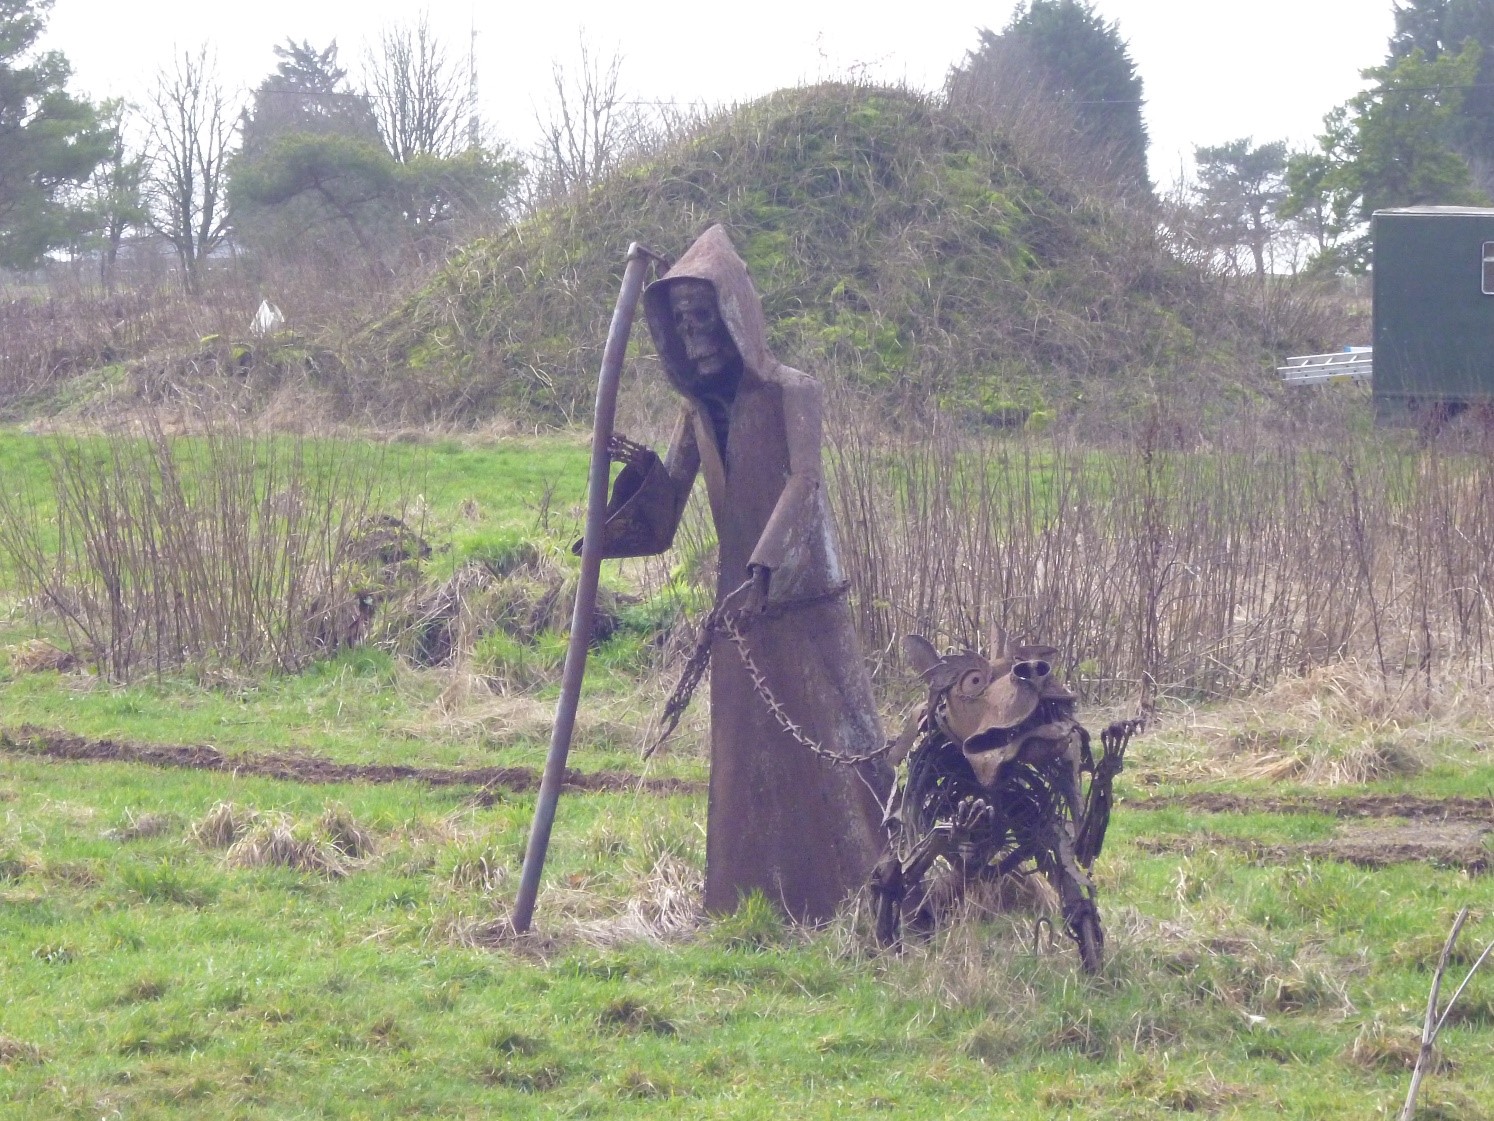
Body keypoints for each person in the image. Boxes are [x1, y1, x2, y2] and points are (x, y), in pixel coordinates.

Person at [587, 224, 888, 922]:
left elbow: (805, 482)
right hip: (738, 609)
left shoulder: (792, 391)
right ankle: (746, 904)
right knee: (745, 758)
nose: (695, 336)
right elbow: (665, 513)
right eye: (683, 323)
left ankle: (861, 891)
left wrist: (765, 565)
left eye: (704, 317)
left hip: (802, 597)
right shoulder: (695, 412)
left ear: (735, 315)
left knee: (834, 744)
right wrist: (629, 484)